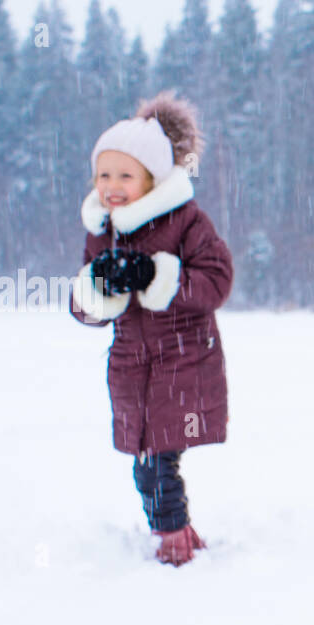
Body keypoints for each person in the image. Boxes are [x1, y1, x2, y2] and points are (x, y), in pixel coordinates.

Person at [69, 92, 232, 566]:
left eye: (125, 175)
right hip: (131, 366)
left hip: (182, 362)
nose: (111, 186)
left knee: (157, 460)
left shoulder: (186, 222)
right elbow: (84, 311)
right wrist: (98, 287)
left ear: (152, 178)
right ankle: (178, 531)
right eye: (103, 175)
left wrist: (155, 275)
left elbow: (216, 281)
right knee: (148, 459)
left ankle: (173, 540)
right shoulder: (103, 230)